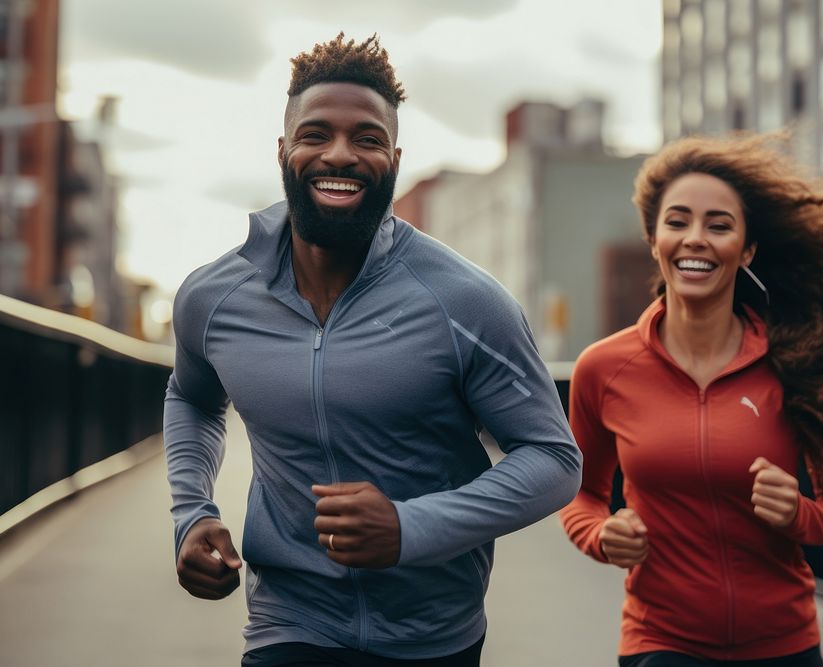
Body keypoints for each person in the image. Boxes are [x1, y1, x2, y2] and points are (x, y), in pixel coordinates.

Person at [164, 33, 582, 666]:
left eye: (367, 138)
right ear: (284, 150)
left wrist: (411, 527)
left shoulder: (465, 302)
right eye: (316, 134)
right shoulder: (215, 297)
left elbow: (553, 458)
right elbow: (192, 398)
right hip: (289, 619)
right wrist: (192, 514)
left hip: (431, 632)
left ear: (394, 158)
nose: (340, 154)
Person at [559, 132, 823, 666]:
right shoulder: (603, 368)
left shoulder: (802, 366)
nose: (696, 238)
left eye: (719, 226)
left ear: (747, 249)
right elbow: (581, 494)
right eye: (677, 222)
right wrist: (602, 535)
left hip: (785, 646)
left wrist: (799, 515)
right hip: (662, 644)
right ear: (654, 239)